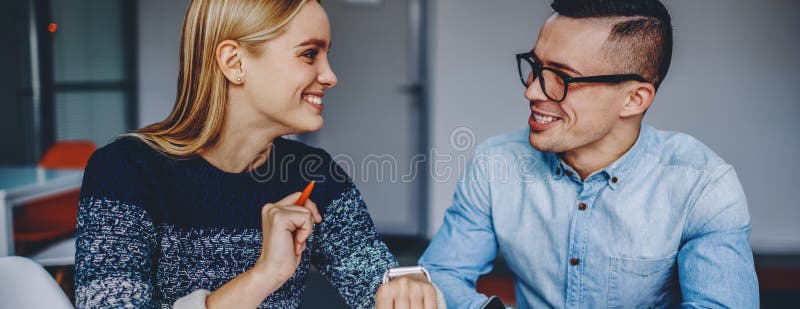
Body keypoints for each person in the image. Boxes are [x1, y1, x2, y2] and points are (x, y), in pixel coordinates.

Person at [74, 0, 441, 308]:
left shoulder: (313, 172)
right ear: (234, 62)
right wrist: (265, 275)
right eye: (309, 54)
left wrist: (409, 287)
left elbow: (379, 277)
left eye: (326, 55)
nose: (330, 76)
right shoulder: (125, 170)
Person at [419, 0, 759, 307]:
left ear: (634, 99)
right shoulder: (495, 164)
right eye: (535, 67)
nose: (532, 90)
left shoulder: (704, 185)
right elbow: (439, 275)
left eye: (562, 78)